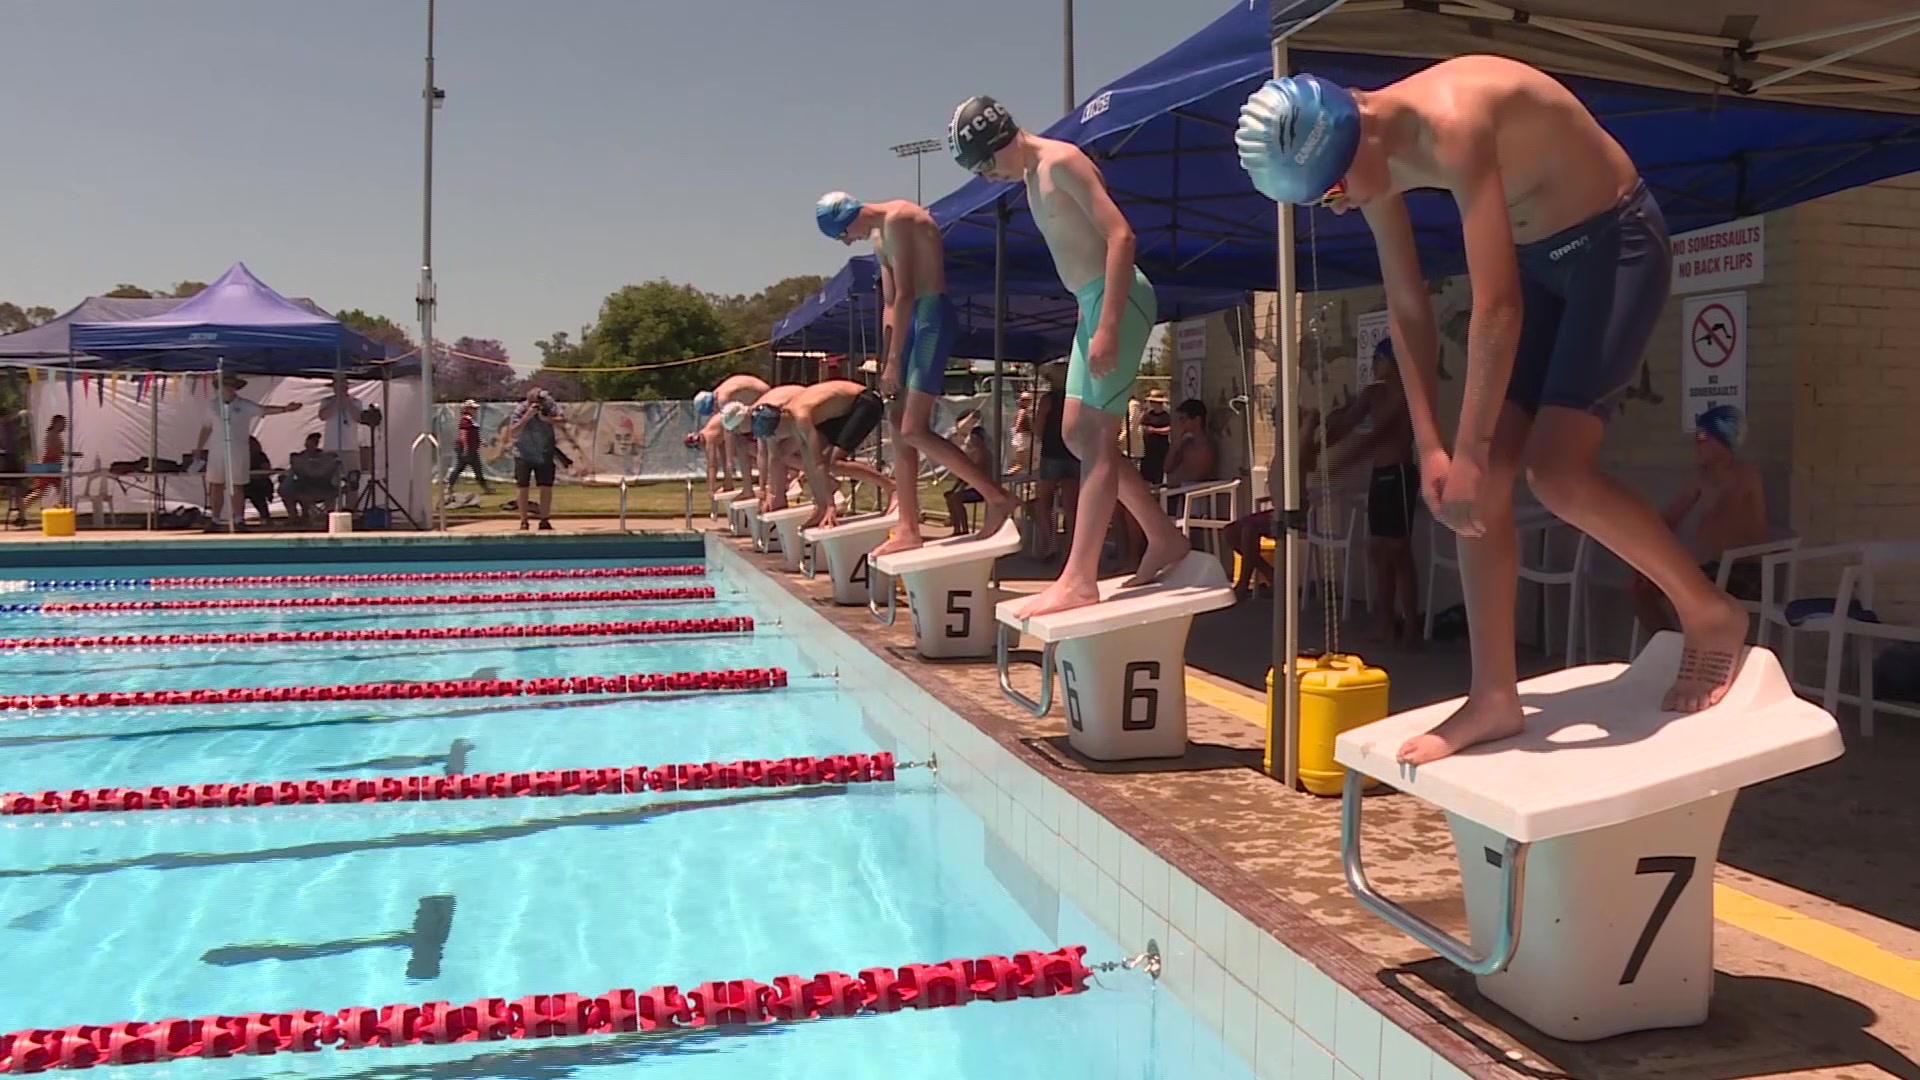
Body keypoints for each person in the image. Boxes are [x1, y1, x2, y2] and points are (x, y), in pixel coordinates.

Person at [1235, 57, 1751, 766]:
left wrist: (1472, 449)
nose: (1341, 206)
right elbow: (1410, 308)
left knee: (1556, 473)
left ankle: (1708, 613)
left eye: (1330, 194)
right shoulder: (1368, 156)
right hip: (1544, 264)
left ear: (1355, 143)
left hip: (1617, 248)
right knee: (1468, 497)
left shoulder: (1454, 120)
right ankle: (1495, 696)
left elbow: (1496, 306)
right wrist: (1436, 450)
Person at [951, 95, 1189, 615]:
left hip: (1118, 299)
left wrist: (1106, 326)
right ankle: (1162, 537)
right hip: (1094, 302)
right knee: (1076, 432)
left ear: (999, 143)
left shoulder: (1060, 162)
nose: (989, 178)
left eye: (985, 166)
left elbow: (1121, 236)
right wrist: (1090, 316)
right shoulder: (1034, 177)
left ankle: (1079, 578)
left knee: (1098, 438)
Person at [813, 192, 1020, 556]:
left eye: (844, 234)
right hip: (910, 326)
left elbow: (908, 294)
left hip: (930, 320)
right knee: (897, 422)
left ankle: (998, 498)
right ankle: (908, 526)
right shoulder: (879, 235)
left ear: (850, 217)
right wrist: (885, 357)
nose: (848, 241)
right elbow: (890, 302)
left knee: (914, 428)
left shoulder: (900, 218)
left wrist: (895, 362)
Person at [1631, 404, 1768, 637]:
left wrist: (1710, 489)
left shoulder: (1744, 473)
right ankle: (1671, 647)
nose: (1696, 443)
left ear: (1723, 440)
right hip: (1714, 569)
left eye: (1703, 436)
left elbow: (1711, 528)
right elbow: (1669, 519)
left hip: (1743, 572)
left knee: (1686, 589)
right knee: (1639, 587)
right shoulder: (1702, 479)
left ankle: (1689, 650)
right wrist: (1646, 550)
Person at [1319, 339, 1423, 644]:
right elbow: (1348, 423)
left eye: (1378, 358)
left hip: (1400, 474)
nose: (1374, 365)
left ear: (1393, 361)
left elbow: (1380, 434)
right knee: (1377, 549)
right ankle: (1385, 622)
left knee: (1399, 551)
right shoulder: (1372, 394)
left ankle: (1412, 627)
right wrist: (1317, 435)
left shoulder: (1405, 393)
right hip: (1380, 475)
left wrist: (1343, 462)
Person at [749, 379, 894, 530]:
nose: (777, 439)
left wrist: (830, 506)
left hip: (865, 403)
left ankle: (892, 487)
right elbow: (809, 464)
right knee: (815, 461)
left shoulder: (801, 416)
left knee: (832, 462)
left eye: (775, 435)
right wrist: (821, 505)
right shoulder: (791, 419)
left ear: (779, 425)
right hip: (842, 411)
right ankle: (820, 506)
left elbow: (818, 463)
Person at [193, 376, 300, 531]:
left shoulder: (244, 405)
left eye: (232, 386)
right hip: (217, 450)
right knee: (216, 485)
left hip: (238, 449)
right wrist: (198, 447)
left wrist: (285, 408)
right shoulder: (212, 406)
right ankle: (215, 519)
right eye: (226, 386)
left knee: (237, 485)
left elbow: (263, 410)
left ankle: (238, 519)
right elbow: (206, 427)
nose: (230, 389)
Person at [1029, 369, 1078, 562]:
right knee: (1071, 504)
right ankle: (1072, 546)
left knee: (1044, 501)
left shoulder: (1048, 400)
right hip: (1073, 452)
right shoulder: (1076, 399)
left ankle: (1048, 542)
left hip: (1051, 452)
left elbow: (1039, 429)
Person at [506, 385, 567, 531]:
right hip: (523, 453)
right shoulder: (521, 409)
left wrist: (546, 419)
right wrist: (527, 417)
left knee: (546, 486)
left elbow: (563, 420)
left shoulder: (549, 405)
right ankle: (523, 520)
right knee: (523, 486)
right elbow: (513, 432)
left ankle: (544, 519)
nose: (540, 404)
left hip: (544, 452)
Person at [697, 374, 769, 495]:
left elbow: (729, 433)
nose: (715, 413)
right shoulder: (720, 391)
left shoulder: (722, 400)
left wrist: (729, 466)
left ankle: (756, 486)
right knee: (746, 448)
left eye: (713, 411)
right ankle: (756, 484)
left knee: (743, 447)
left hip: (765, 400)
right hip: (762, 397)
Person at [943, 422, 993, 535]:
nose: (973, 441)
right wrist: (955, 488)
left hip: (984, 490)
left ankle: (964, 529)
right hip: (975, 487)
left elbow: (975, 474)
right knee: (950, 496)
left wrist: (959, 489)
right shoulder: (974, 453)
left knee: (956, 498)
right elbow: (964, 476)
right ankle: (956, 527)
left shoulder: (985, 455)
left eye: (975, 438)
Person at [446, 399, 492, 494]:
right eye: (473, 408)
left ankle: (486, 488)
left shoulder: (471, 420)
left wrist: (480, 441)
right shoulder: (465, 420)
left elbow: (473, 434)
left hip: (472, 448)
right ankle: (449, 487)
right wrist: (465, 448)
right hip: (465, 448)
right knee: (460, 467)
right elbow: (463, 434)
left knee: (477, 468)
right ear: (467, 409)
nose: (475, 410)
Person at [1138, 388, 1173, 484]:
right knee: (1146, 474)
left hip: (1160, 448)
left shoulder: (1166, 415)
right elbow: (1139, 423)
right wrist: (1143, 412)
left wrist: (1155, 430)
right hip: (1148, 447)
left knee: (1158, 473)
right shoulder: (1149, 414)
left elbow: (1170, 429)